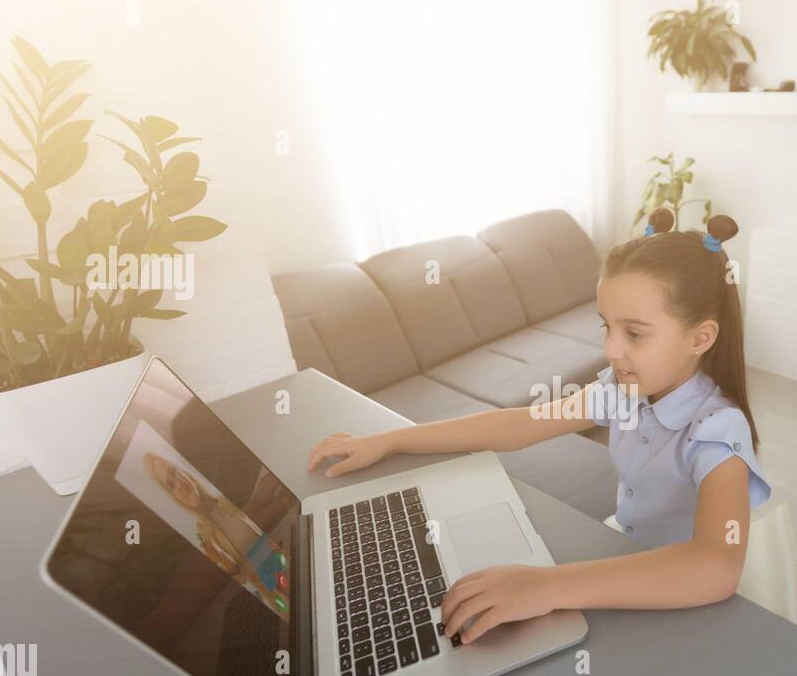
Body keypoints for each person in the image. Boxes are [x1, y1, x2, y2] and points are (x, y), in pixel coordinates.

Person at [307, 209, 771, 644]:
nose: (611, 349)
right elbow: (520, 425)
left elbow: (715, 567)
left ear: (700, 337)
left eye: (633, 333)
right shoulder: (623, 391)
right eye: (606, 326)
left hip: (676, 599)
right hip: (617, 561)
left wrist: (545, 587)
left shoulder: (717, 431)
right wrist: (390, 440)